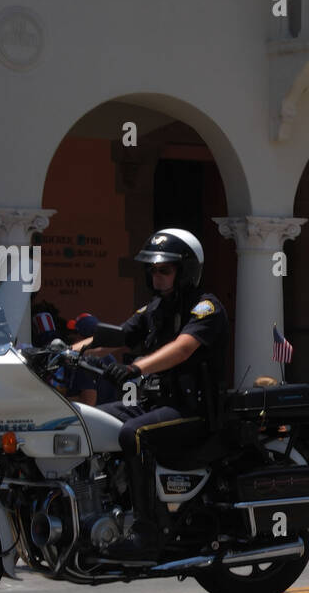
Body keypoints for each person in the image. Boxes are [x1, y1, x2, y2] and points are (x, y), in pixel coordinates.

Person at [74, 228, 229, 556]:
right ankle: (97, 510)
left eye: (165, 270)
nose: (156, 276)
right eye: (153, 270)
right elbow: (115, 338)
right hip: (157, 404)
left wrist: (136, 368)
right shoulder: (155, 310)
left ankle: (147, 533)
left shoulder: (206, 309)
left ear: (185, 270)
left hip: (193, 412)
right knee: (88, 420)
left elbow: (182, 349)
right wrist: (65, 352)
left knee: (135, 435)